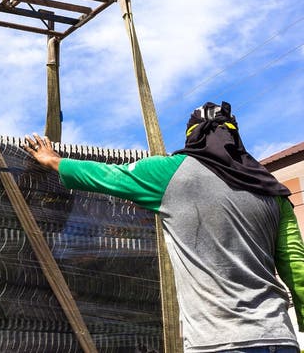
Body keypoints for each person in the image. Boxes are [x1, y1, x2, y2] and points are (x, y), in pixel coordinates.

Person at [24, 101, 304, 353]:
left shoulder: (169, 173)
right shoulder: (272, 191)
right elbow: (296, 266)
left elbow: (107, 175)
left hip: (218, 342)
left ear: (192, 137)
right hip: (280, 338)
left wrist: (55, 161)